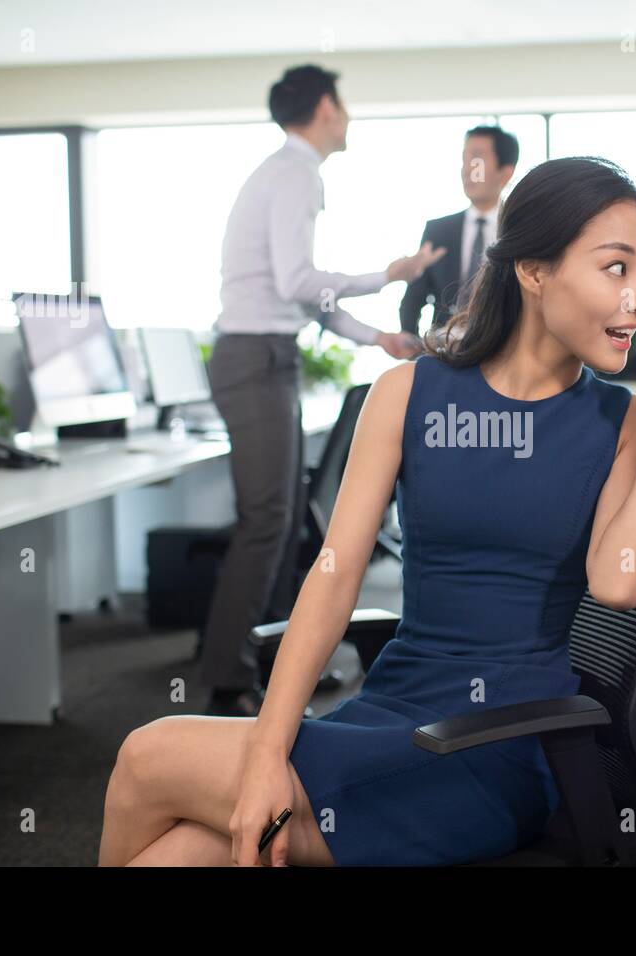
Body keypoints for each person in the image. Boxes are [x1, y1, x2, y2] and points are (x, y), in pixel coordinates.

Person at [98, 155, 636, 866]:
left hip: (494, 745)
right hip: (390, 708)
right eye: (617, 268)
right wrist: (270, 747)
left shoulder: (625, 424)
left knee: (148, 759)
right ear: (535, 271)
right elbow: (333, 574)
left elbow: (617, 582)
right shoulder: (407, 393)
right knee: (176, 855)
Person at [201, 64, 443, 718]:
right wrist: (388, 274)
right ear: (324, 108)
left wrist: (375, 338)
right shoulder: (294, 174)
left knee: (279, 518)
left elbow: (306, 297)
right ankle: (230, 681)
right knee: (267, 520)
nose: (348, 115)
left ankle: (276, 668)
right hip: (254, 358)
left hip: (267, 355)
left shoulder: (292, 173)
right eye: (343, 102)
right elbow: (297, 280)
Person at [398, 125, 518, 337]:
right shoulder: (438, 230)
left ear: (505, 172)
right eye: (464, 159)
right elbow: (413, 299)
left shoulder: (518, 230)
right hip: (446, 349)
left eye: (476, 159)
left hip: (505, 347)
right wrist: (415, 353)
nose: (466, 169)